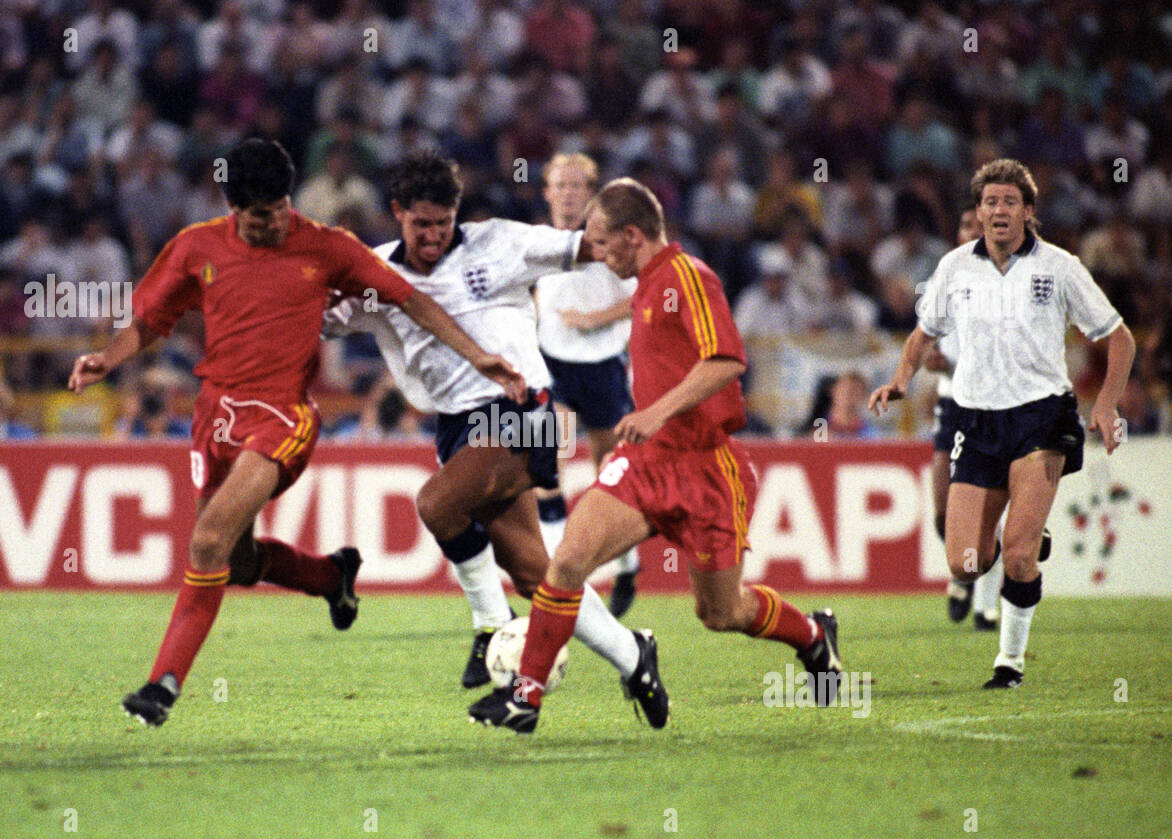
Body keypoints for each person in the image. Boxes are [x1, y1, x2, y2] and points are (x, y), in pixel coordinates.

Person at [68, 139, 523, 726]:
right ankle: (331, 576)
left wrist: (479, 355)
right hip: (216, 417)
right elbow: (149, 321)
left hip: (282, 417)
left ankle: (161, 686)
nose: (275, 221)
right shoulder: (195, 248)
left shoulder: (328, 247)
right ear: (234, 209)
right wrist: (109, 358)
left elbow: (411, 301)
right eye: (261, 215)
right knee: (232, 559)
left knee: (205, 541)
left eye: (281, 207)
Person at [469, 177, 842, 734]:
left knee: (721, 613)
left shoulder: (689, 277)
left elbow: (727, 361)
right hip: (644, 463)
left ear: (633, 234)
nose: (595, 253)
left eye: (601, 241)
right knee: (567, 561)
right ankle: (526, 696)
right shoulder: (642, 285)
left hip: (706, 470)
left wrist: (655, 411)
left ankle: (812, 636)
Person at [326, 152, 658, 709]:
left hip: (521, 410)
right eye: (420, 224)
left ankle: (489, 625)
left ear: (457, 211)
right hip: (457, 425)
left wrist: (637, 248)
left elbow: (585, 248)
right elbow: (317, 317)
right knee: (535, 572)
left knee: (435, 504)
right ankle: (633, 656)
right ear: (397, 213)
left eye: (443, 221)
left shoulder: (499, 243)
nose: (433, 236)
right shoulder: (377, 273)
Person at [870, 159, 1135, 689]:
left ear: (1028, 212)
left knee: (1013, 556)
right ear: (978, 210)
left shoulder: (1059, 268)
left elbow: (1119, 338)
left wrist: (1104, 406)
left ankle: (1008, 663)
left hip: (1042, 416)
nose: (997, 211)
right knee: (965, 563)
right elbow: (923, 335)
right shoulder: (954, 268)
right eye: (989, 202)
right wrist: (901, 379)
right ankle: (1031, 540)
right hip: (976, 420)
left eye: (1009, 202)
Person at [532, 153, 640, 616]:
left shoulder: (611, 241)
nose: (569, 192)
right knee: (543, 461)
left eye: (578, 184)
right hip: (550, 363)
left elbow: (641, 294)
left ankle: (628, 567)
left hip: (601, 365)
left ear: (591, 192)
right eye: (561, 184)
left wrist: (594, 319)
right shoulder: (535, 243)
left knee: (608, 469)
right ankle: (560, 578)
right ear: (547, 191)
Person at [928, 205, 1002, 630]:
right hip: (951, 404)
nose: (971, 232)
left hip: (990, 405)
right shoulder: (946, 275)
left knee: (988, 510)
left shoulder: (1007, 280)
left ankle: (986, 602)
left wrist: (952, 364)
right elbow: (925, 333)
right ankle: (963, 573)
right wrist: (930, 358)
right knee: (944, 513)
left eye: (979, 226)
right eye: (964, 224)